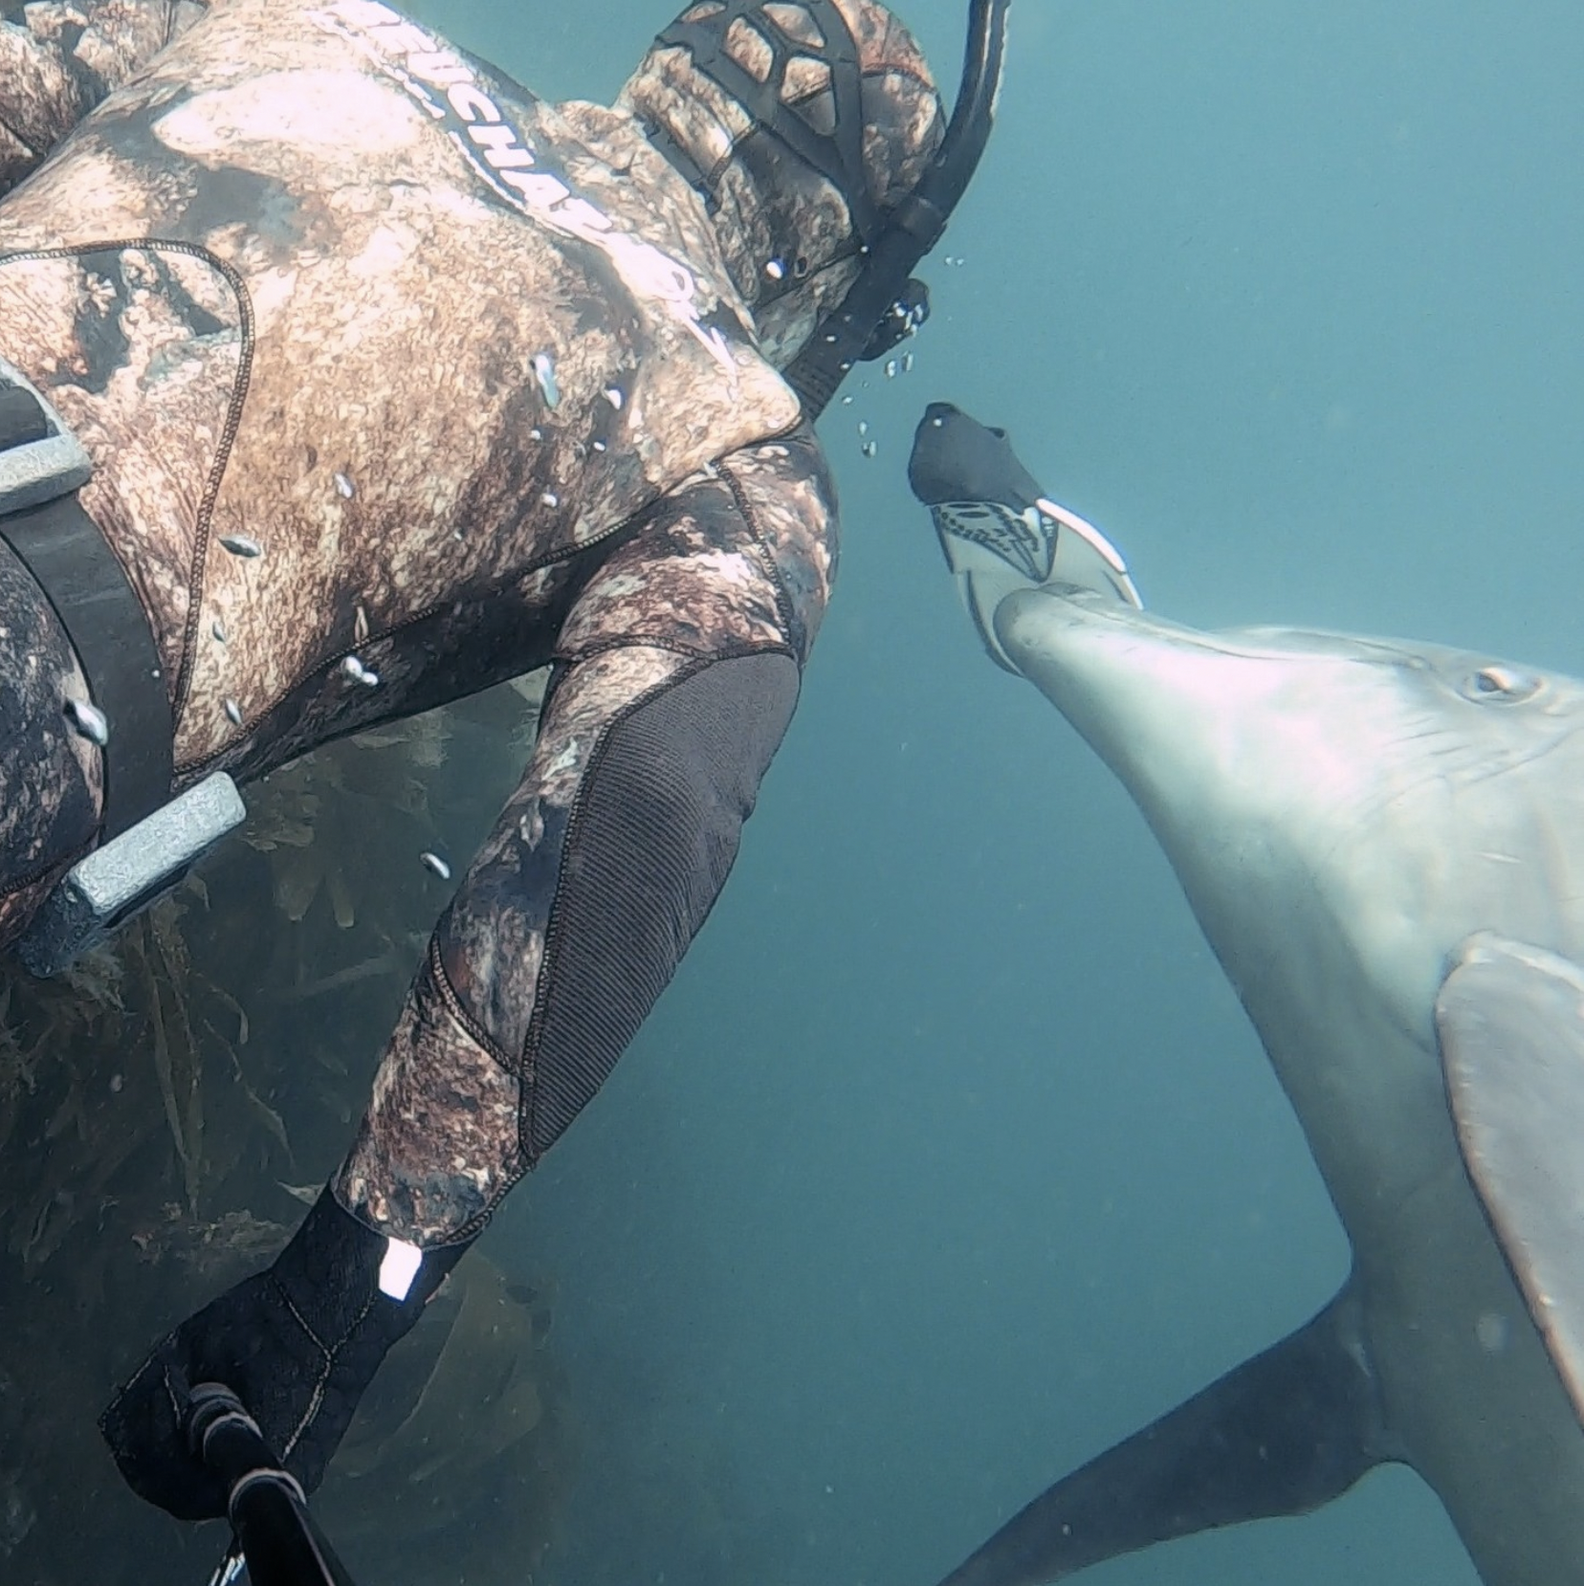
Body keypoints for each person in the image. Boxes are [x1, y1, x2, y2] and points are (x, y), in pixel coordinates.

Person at [0, 0, 1007, 1528]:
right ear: (848, 267)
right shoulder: (731, 438)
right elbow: (644, 810)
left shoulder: (310, 21)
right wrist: (345, 1298)